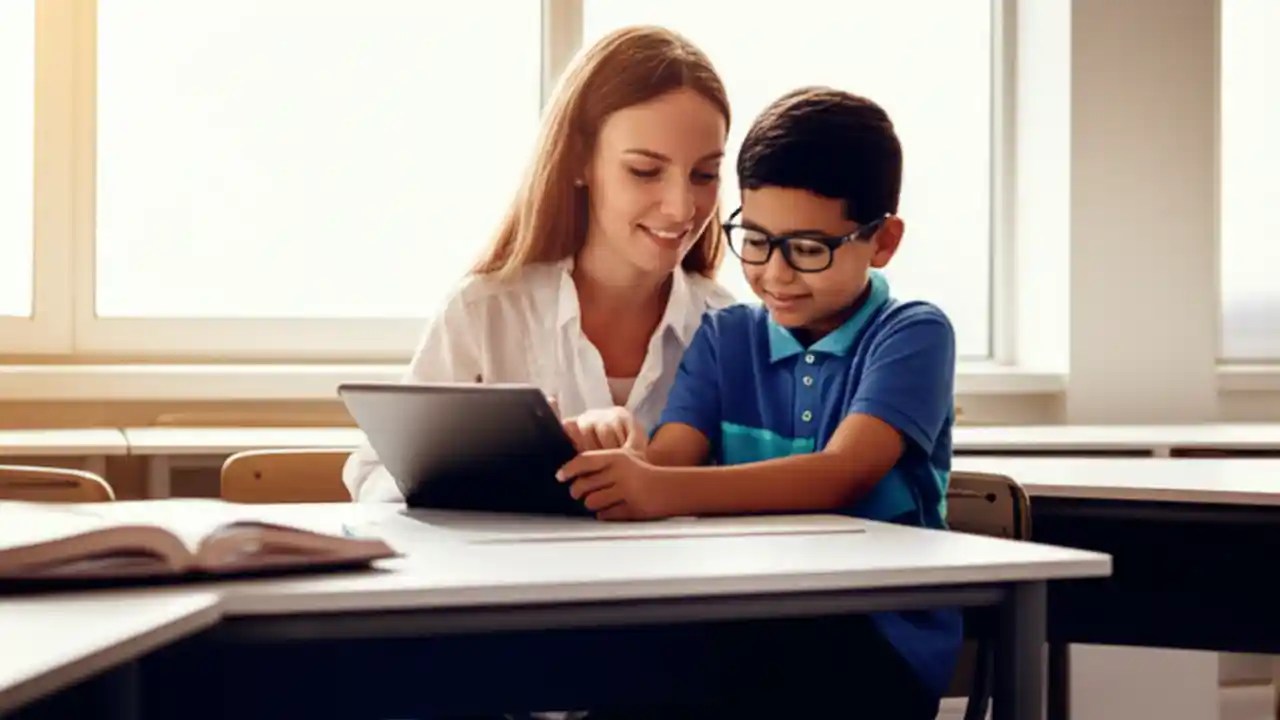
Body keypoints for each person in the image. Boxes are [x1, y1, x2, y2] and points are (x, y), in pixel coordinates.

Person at [556, 87, 962, 718]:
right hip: (748, 613)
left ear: (881, 242)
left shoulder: (912, 333)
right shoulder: (727, 337)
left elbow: (840, 476)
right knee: (645, 664)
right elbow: (668, 464)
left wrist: (655, 490)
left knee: (712, 668)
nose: (774, 273)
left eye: (807, 249)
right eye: (756, 239)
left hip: (872, 634)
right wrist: (618, 449)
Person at [342, 26, 735, 501]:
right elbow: (374, 475)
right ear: (578, 162)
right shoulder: (486, 312)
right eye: (645, 171)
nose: (681, 206)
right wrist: (490, 462)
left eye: (704, 174)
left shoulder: (730, 329)